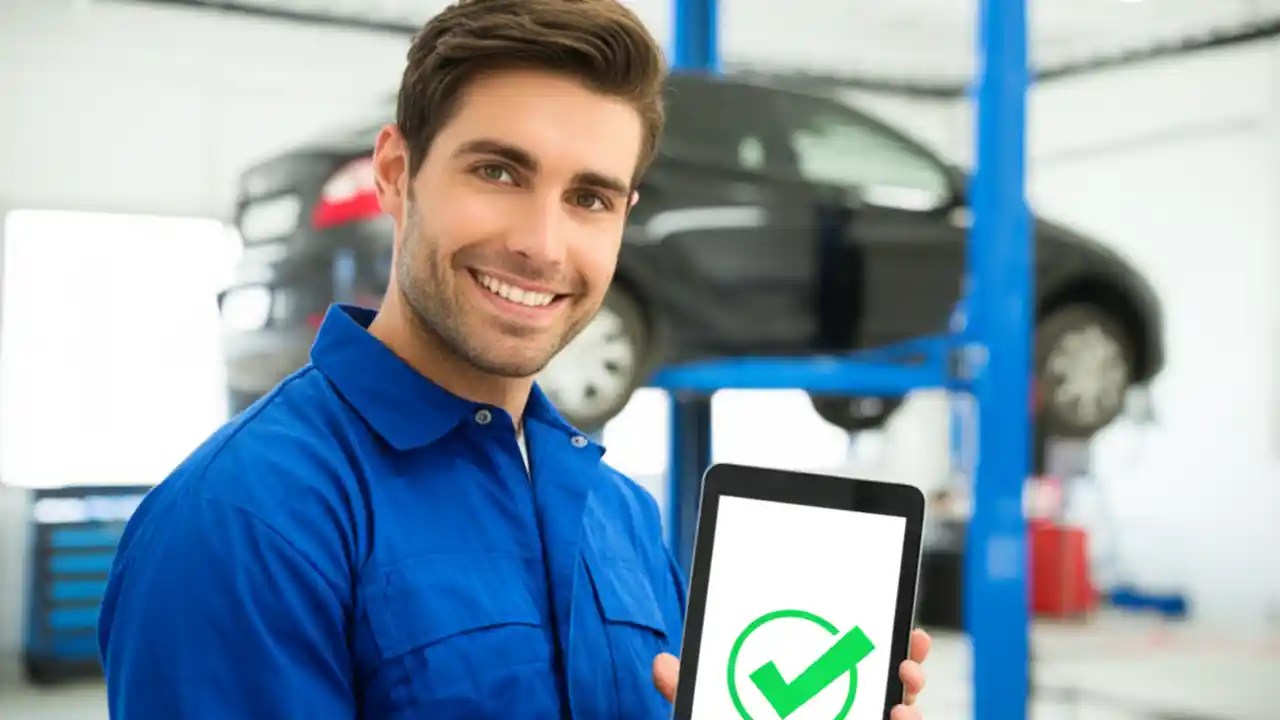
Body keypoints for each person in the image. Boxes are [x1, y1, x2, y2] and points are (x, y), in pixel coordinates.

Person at [97, 0, 933, 717]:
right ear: (398, 173)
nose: (541, 245)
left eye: (590, 198)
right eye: (498, 171)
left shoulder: (620, 517)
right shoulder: (245, 521)